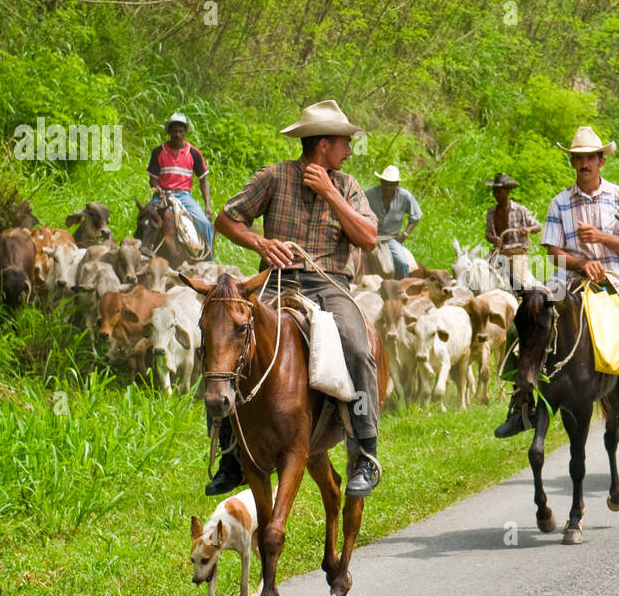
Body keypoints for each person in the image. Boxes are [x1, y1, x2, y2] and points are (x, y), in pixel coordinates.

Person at [208, 100, 384, 498]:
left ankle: (366, 452)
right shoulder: (274, 177)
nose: (350, 150)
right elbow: (226, 218)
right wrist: (260, 242)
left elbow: (369, 239)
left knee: (357, 346)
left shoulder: (349, 186)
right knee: (224, 338)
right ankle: (231, 453)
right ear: (323, 144)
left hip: (330, 283)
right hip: (278, 282)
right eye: (345, 142)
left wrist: (330, 194)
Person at [493, 125, 619, 449]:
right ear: (573, 163)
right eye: (578, 158)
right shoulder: (560, 202)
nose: (584, 163)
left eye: (590, 157)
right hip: (568, 281)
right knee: (528, 314)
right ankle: (521, 403)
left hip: (611, 279)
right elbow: (552, 252)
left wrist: (601, 239)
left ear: (601, 160)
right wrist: (580, 263)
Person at [149, 112, 214, 259]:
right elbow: (152, 179)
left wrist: (207, 206)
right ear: (169, 132)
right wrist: (157, 188)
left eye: (180, 131)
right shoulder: (158, 152)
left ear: (185, 132)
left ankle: (209, 260)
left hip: (183, 196)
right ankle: (142, 252)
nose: (177, 134)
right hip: (162, 195)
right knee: (147, 220)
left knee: (204, 223)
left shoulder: (194, 154)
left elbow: (203, 181)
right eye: (174, 131)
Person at [484, 172, 541, 291]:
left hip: (517, 254)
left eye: (499, 191)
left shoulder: (520, 210)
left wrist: (528, 229)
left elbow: (538, 226)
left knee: (519, 285)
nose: (496, 194)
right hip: (499, 253)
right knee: (481, 276)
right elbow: (488, 234)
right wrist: (494, 239)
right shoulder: (491, 212)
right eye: (494, 191)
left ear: (507, 191)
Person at [364, 165, 422, 279]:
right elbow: (356, 210)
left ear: (397, 184)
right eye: (385, 183)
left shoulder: (405, 196)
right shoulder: (369, 194)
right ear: (381, 181)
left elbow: (416, 216)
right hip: (369, 236)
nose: (388, 188)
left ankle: (402, 286)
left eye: (392, 185)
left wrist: (405, 234)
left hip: (390, 238)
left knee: (402, 262)